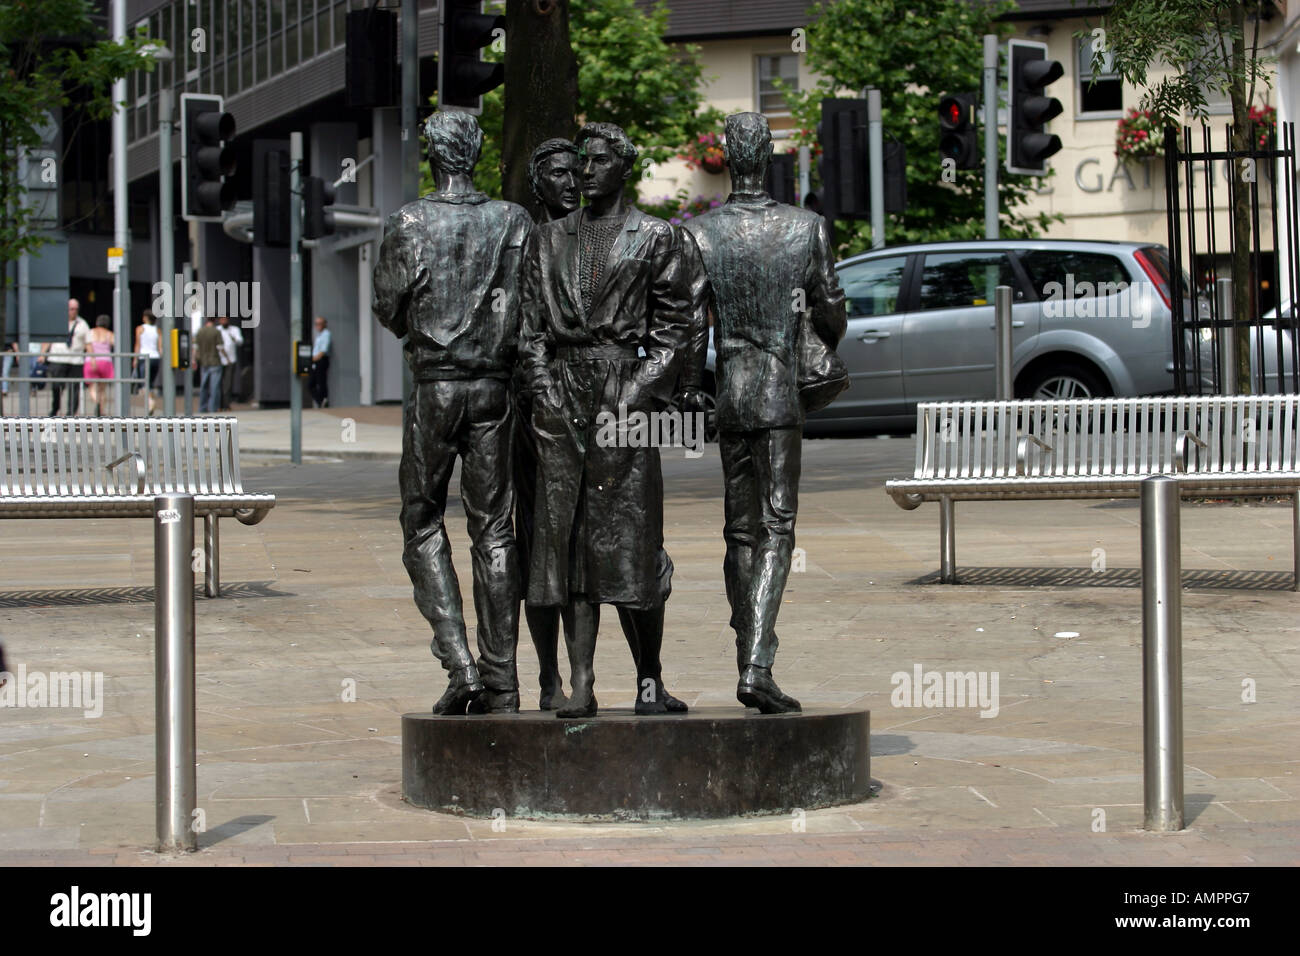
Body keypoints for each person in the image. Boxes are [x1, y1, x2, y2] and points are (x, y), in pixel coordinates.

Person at [518, 122, 693, 718]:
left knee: (633, 540)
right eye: (581, 161)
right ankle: (583, 678)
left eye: (595, 161)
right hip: (563, 396)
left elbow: (676, 330)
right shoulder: (545, 239)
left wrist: (638, 393)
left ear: (623, 168)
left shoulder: (656, 237)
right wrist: (544, 392)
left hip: (624, 397)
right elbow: (531, 330)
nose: (584, 170)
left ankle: (650, 679)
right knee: (568, 545)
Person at [682, 113, 847, 713]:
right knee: (777, 526)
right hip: (779, 396)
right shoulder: (806, 228)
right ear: (769, 155)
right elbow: (831, 310)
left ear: (726, 155)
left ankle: (751, 651)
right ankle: (757, 660)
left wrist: (686, 390)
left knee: (739, 531)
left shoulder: (702, 234)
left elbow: (686, 325)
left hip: (731, 395)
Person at [372, 111, 533, 715]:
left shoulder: (410, 222)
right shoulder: (512, 220)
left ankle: (459, 663)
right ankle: (502, 676)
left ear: (432, 156)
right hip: (495, 388)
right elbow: (528, 303)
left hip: (436, 388)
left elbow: (388, 307)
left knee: (421, 521)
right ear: (477, 152)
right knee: (494, 529)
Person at [516, 137, 582, 710]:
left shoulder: (597, 234)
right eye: (557, 174)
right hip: (542, 413)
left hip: (595, 404)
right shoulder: (528, 243)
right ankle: (546, 675)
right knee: (541, 545)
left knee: (593, 545)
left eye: (574, 172)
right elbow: (526, 329)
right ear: (537, 184)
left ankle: (603, 675)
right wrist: (545, 395)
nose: (569, 181)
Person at [42, 298, 89, 416]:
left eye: (76, 309)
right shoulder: (57, 321)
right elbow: (48, 339)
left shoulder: (82, 324)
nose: (74, 311)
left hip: (75, 360)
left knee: (74, 388)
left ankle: (71, 413)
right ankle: (55, 408)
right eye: (71, 309)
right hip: (58, 359)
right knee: (57, 387)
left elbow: (88, 342)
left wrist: (91, 358)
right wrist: (42, 354)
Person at [82, 315, 115, 415]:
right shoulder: (109, 334)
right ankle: (101, 410)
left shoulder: (90, 332)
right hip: (105, 361)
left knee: (92, 387)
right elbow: (115, 343)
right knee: (102, 389)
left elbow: (85, 345)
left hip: (91, 361)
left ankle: (96, 402)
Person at [193, 316, 223, 413]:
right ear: (215, 320)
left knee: (204, 386)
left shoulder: (200, 331)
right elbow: (220, 347)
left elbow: (195, 347)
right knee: (214, 386)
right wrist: (227, 358)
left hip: (203, 362)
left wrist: (193, 359)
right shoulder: (216, 331)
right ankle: (213, 408)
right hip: (215, 361)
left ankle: (202, 408)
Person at [133, 310, 161, 415]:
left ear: (145, 317)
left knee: (144, 383)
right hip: (155, 357)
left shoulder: (140, 329)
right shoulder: (157, 330)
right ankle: (150, 402)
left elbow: (137, 344)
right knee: (151, 383)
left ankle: (150, 402)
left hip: (144, 357)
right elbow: (160, 347)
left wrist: (135, 358)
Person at [218, 314, 244, 411]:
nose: (224, 321)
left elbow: (240, 341)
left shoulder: (234, 330)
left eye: (225, 319)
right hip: (219, 360)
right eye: (222, 319)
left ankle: (226, 404)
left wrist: (235, 339)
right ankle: (220, 405)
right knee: (219, 383)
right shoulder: (218, 330)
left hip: (231, 360)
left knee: (228, 384)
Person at [308, 316, 330, 408]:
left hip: (320, 360)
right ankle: (321, 401)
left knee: (321, 381)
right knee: (312, 384)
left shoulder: (326, 334)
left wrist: (313, 359)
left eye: (320, 323)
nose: (318, 326)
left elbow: (323, 350)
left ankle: (323, 400)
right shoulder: (319, 335)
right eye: (316, 324)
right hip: (316, 360)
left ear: (324, 324)